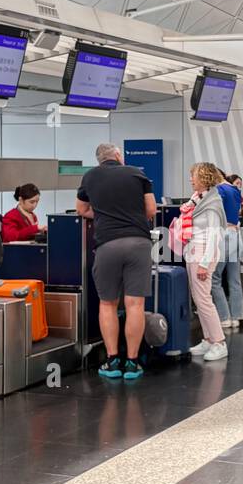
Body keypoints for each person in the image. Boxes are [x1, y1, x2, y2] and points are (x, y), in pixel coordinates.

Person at [75, 143, 156, 381]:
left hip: (107, 244)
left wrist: (102, 216)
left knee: (108, 303)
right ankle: (132, 362)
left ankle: (112, 361)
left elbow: (81, 209)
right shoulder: (136, 173)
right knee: (135, 304)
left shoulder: (90, 176)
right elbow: (150, 209)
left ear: (99, 159)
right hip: (138, 242)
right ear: (118, 156)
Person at [180, 164, 229, 362]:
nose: (191, 180)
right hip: (195, 253)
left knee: (204, 300)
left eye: (193, 176)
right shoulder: (200, 199)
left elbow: (214, 236)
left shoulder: (213, 203)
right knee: (199, 300)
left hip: (202, 255)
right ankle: (209, 339)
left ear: (203, 178)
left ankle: (219, 342)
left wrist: (204, 263)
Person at [211, 169, 243, 329]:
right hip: (236, 235)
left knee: (214, 278)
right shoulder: (234, 189)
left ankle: (224, 318)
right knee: (234, 279)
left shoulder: (218, 190)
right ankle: (236, 317)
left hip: (223, 235)